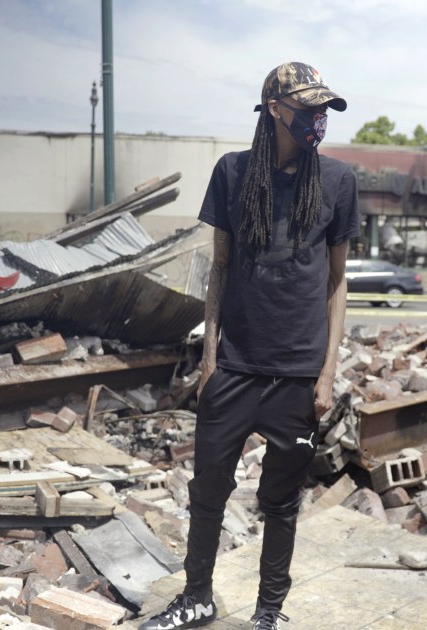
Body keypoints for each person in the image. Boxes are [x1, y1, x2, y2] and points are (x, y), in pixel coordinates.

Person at [139, 61, 358, 630]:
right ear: (275, 110)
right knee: (208, 490)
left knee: (280, 502)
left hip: (298, 372)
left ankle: (269, 612)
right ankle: (196, 598)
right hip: (233, 366)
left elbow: (337, 284)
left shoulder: (336, 181)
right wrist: (210, 357)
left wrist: (327, 373)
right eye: (309, 110)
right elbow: (220, 268)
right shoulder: (233, 174)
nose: (318, 120)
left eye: (323, 111)